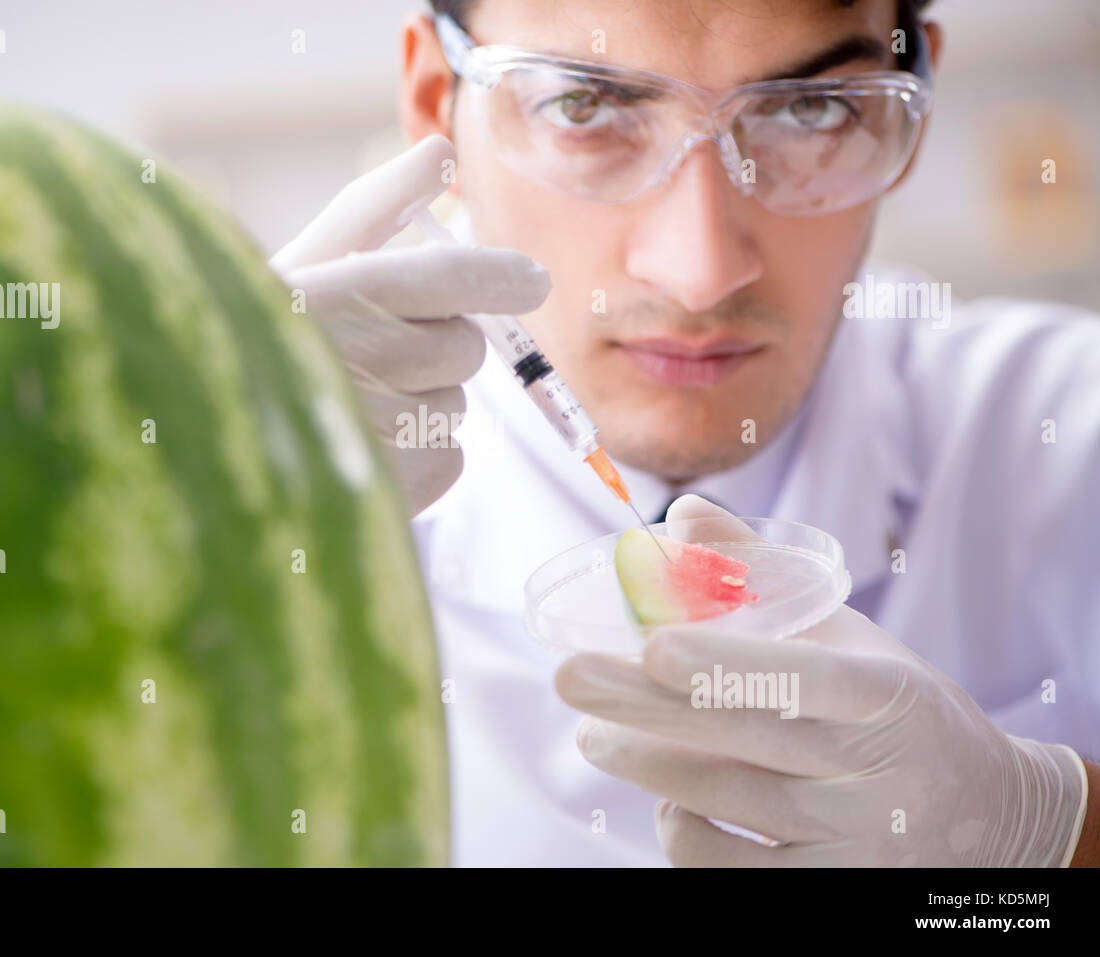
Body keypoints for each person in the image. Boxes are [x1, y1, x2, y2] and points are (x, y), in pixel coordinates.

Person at [269, 0, 1099, 866]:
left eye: (808, 108)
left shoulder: (1066, 433)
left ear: (909, 113)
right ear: (439, 100)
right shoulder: (282, 500)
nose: (699, 273)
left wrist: (1046, 831)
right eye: (585, 108)